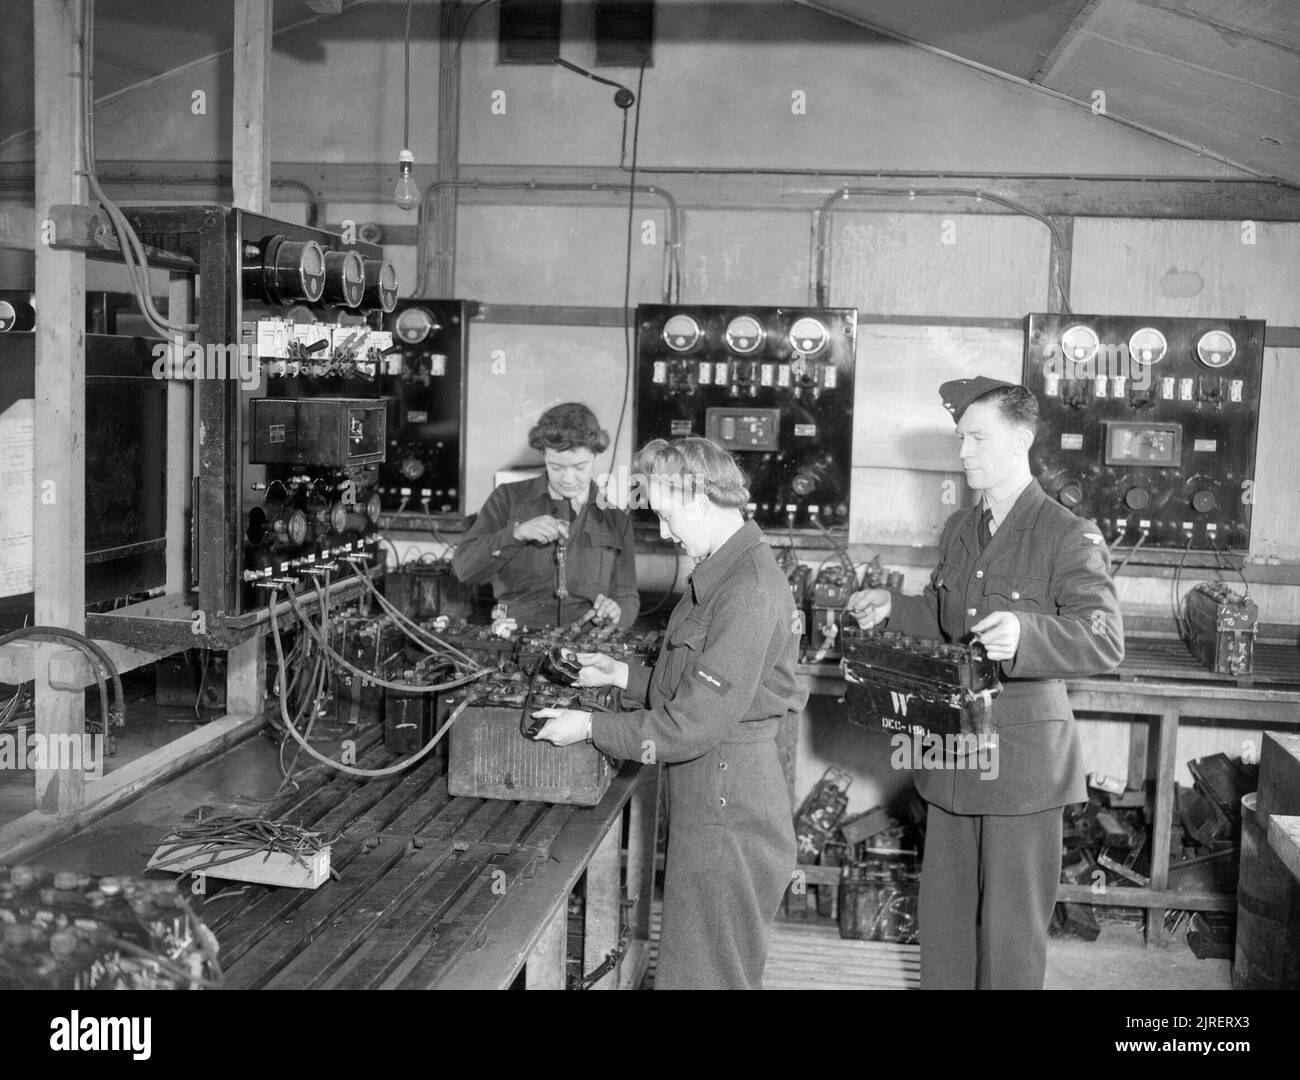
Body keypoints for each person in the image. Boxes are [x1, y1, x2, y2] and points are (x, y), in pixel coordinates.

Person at [845, 376, 1124, 990]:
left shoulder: (1066, 533)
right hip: (952, 756)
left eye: (978, 438)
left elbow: (1103, 638)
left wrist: (1026, 634)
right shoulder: (960, 530)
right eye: (959, 439)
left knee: (1008, 939)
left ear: (1021, 440)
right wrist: (892, 606)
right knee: (943, 930)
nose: (964, 452)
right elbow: (951, 624)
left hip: (1022, 769)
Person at [530, 437, 807, 989]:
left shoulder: (747, 589)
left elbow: (691, 724)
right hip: (715, 795)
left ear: (701, 499)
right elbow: (691, 684)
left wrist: (590, 726)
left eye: (666, 512)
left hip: (730, 809)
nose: (664, 529)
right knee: (692, 968)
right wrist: (620, 676)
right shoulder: (720, 572)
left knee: (706, 976)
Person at [452, 402, 639, 628]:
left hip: (585, 646)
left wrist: (616, 614)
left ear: (595, 457)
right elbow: (464, 569)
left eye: (579, 467)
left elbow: (627, 597)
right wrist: (516, 534)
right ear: (543, 456)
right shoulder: (508, 499)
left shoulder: (616, 520)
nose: (568, 479)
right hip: (517, 638)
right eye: (556, 467)